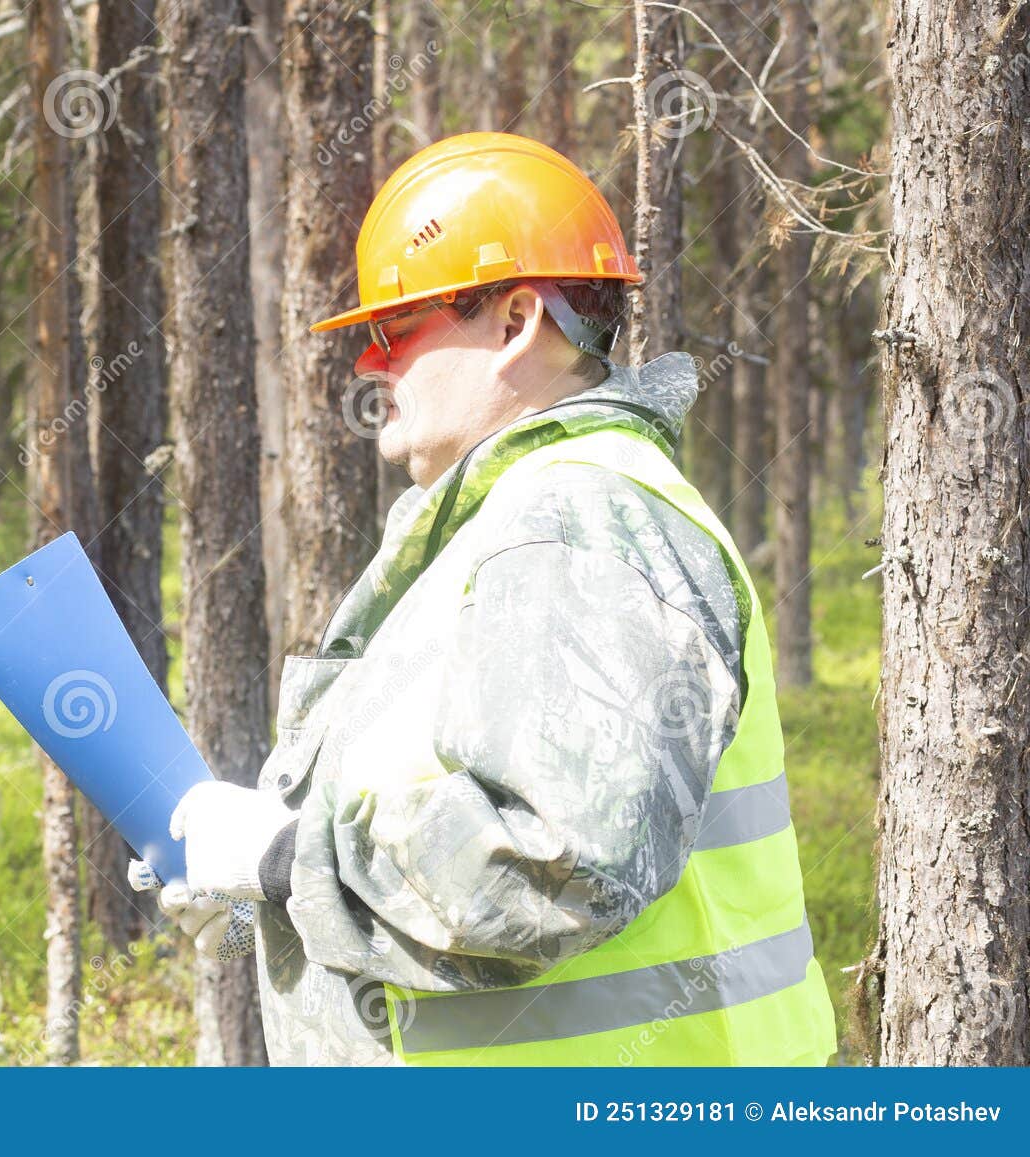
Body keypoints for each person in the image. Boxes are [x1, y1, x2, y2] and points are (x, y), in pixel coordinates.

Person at [139, 133, 837, 1066]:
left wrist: (281, 860)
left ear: (515, 323)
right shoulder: (505, 520)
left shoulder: (582, 519)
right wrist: (274, 903)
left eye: (397, 329)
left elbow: (555, 865)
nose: (367, 365)